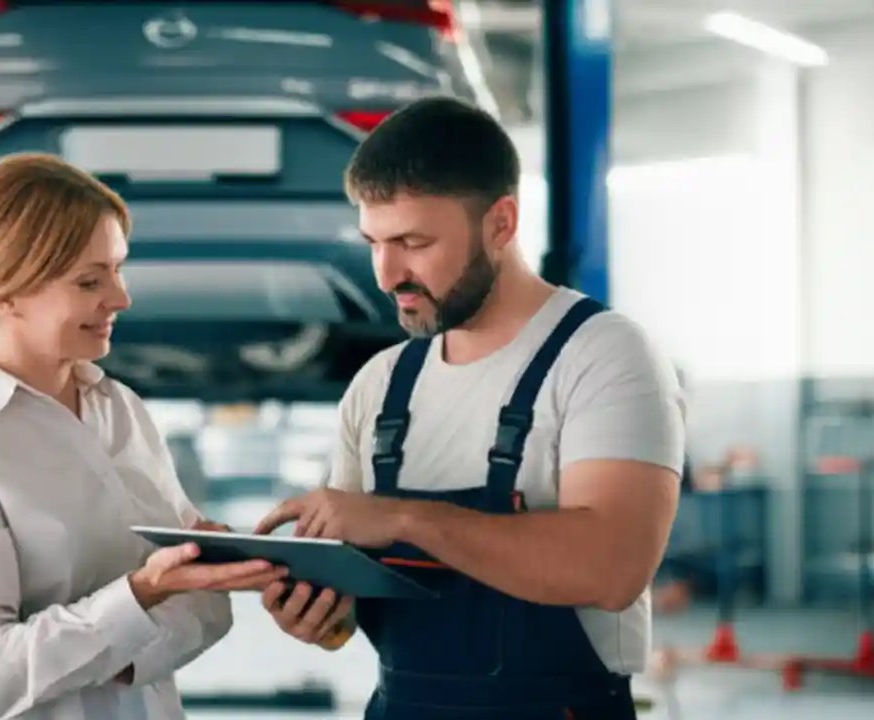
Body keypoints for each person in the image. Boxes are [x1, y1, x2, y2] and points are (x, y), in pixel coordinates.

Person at [254, 97, 686, 719]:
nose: (386, 274)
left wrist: (404, 518)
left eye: (414, 242)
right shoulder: (379, 386)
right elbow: (349, 610)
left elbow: (612, 567)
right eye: (373, 242)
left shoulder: (605, 356)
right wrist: (318, 617)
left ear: (501, 224)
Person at [0, 153, 286, 720]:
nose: (121, 298)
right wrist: (140, 597)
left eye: (118, 270)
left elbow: (204, 604)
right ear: (4, 293)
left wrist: (125, 648)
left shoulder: (119, 408)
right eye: (89, 281)